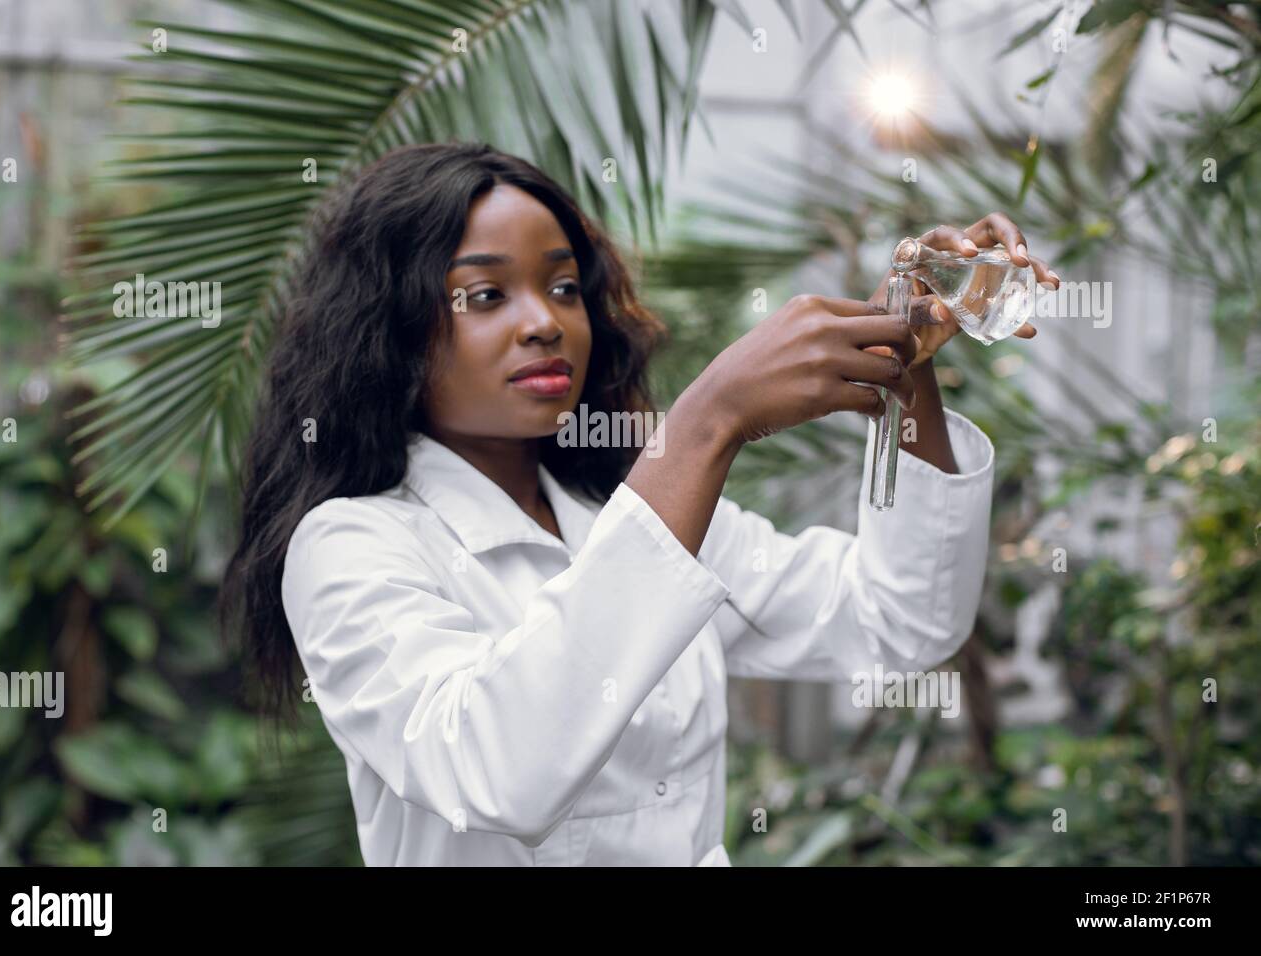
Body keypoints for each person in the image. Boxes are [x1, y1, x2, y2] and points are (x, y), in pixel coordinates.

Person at [220, 142, 1059, 866]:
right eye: (484, 296)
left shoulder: (623, 507)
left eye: (562, 288)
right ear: (390, 332)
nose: (544, 324)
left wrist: (902, 356)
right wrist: (705, 423)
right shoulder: (351, 545)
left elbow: (898, 618)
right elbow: (497, 769)